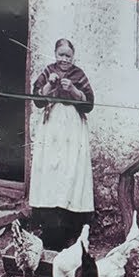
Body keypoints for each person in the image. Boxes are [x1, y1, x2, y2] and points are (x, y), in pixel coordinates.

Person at [29, 38, 95, 249]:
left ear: (73, 57)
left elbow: (89, 104)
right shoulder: (48, 71)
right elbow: (37, 100)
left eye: (68, 55)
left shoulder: (79, 74)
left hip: (72, 130)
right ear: (55, 55)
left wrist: (74, 90)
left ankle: (71, 229)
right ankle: (50, 229)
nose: (64, 59)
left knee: (70, 172)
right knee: (50, 172)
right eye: (61, 55)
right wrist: (50, 84)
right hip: (52, 129)